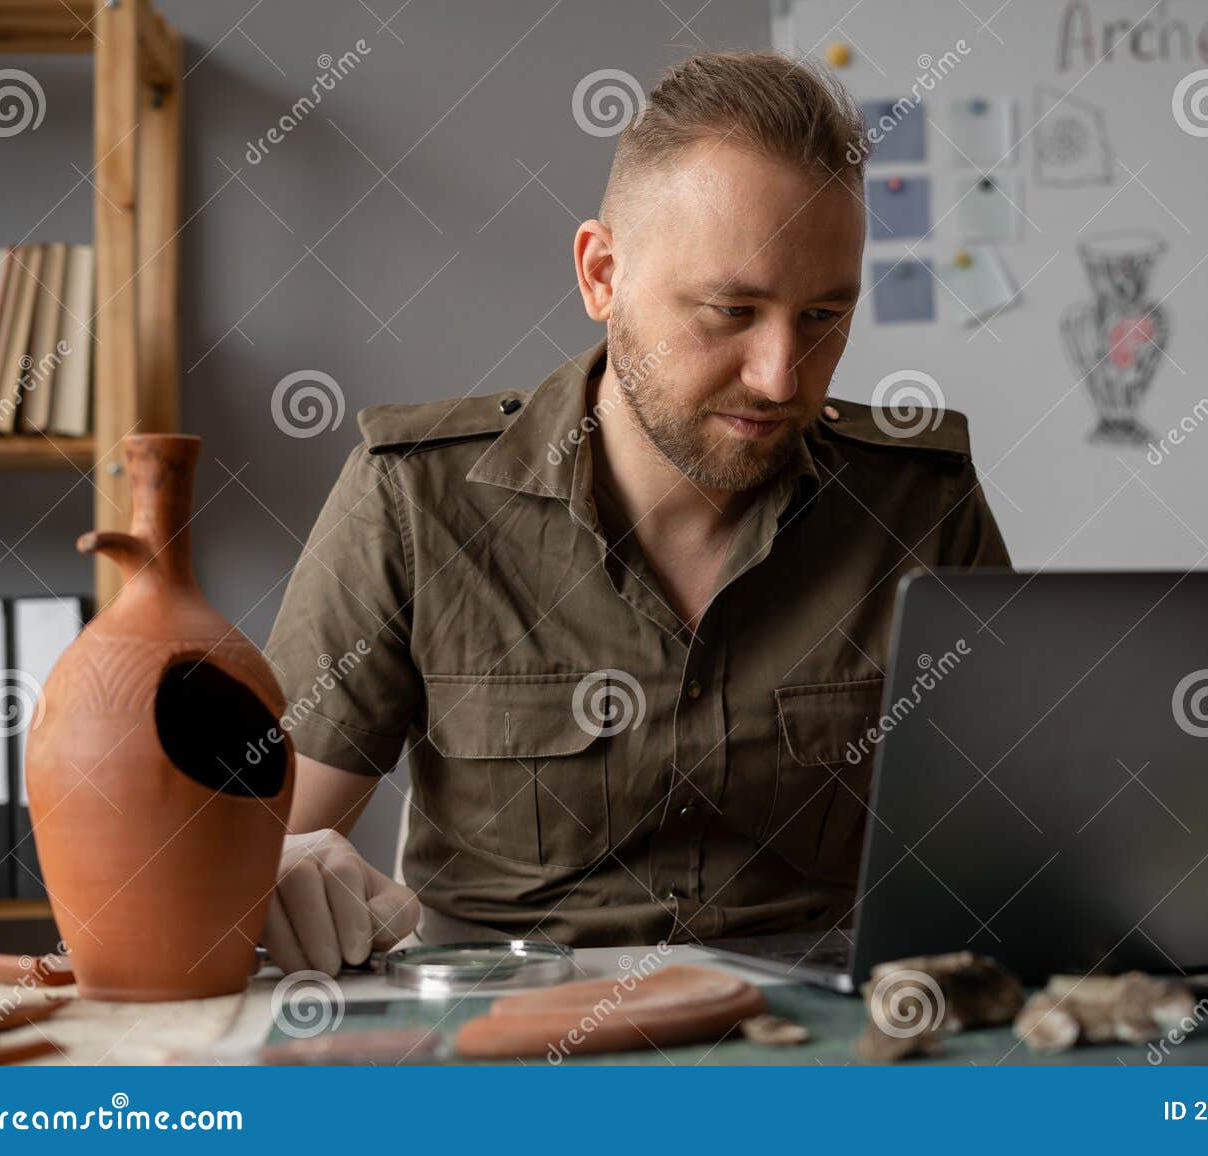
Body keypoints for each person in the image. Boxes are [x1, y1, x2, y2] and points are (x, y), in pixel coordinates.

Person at [260, 49, 1010, 976]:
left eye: (822, 318)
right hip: (516, 1047)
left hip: (828, 1050)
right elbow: (258, 849)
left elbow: (1020, 851)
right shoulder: (416, 501)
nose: (780, 377)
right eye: (731, 311)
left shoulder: (922, 505)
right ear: (601, 273)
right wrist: (280, 869)